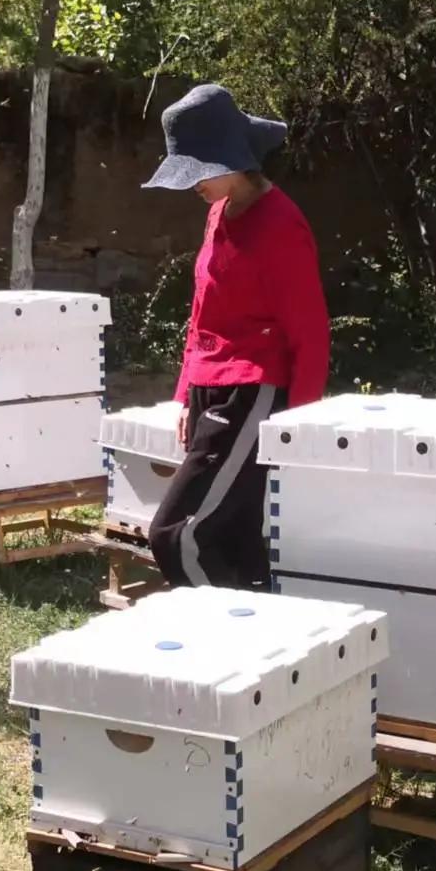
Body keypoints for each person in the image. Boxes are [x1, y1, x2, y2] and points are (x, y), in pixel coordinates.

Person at [140, 83, 329, 590]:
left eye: (198, 170)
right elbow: (202, 311)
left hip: (253, 392)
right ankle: (264, 654)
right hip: (208, 387)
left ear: (233, 159)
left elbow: (309, 331)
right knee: (233, 535)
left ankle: (222, 646)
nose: (192, 184)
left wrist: (297, 424)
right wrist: (184, 394)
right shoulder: (217, 213)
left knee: (175, 535)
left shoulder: (282, 225)